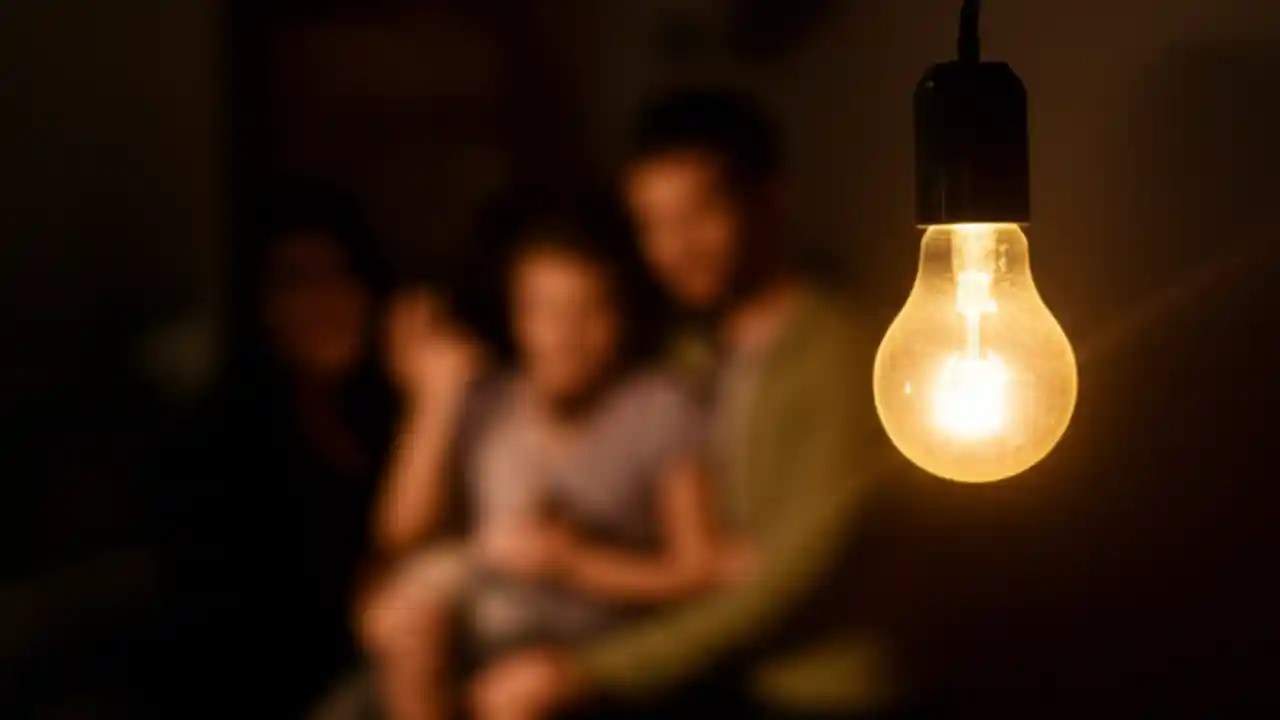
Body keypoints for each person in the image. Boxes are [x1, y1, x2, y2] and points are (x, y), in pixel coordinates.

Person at [468, 91, 896, 720]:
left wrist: (594, 670)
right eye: (652, 224)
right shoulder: (687, 352)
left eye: (698, 215)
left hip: (817, 687)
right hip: (714, 673)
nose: (675, 247)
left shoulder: (840, 352)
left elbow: (795, 573)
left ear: (768, 198)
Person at [358, 199, 727, 720]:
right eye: (545, 309)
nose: (566, 334)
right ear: (517, 316)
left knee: (515, 700)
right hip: (482, 628)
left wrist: (573, 563)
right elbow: (401, 533)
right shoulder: (490, 404)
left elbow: (699, 568)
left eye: (588, 310)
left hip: (587, 645)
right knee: (403, 620)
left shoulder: (657, 409)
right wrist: (434, 399)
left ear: (619, 313)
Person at [144, 181, 395, 718]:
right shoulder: (222, 441)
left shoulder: (389, 413)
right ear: (263, 305)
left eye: (338, 274)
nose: (322, 301)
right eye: (296, 281)